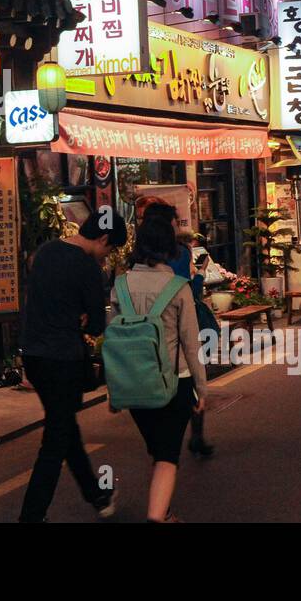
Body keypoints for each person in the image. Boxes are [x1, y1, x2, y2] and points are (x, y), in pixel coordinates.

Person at [18, 209, 127, 523]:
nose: (108, 255)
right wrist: (82, 317)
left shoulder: (46, 251)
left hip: (34, 355)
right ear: (103, 238)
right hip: (62, 359)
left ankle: (96, 494)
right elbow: (95, 324)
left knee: (63, 426)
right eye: (110, 248)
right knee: (55, 440)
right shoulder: (87, 267)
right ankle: (31, 515)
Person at [111, 216, 208, 522]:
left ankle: (163, 512)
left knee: (158, 451)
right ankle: (156, 517)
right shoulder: (179, 288)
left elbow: (113, 336)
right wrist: (201, 389)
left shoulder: (120, 286)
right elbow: (191, 345)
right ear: (169, 248)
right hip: (173, 384)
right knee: (167, 457)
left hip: (133, 385)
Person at [139, 200, 215, 458]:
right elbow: (189, 294)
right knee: (189, 379)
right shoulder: (179, 253)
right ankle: (195, 434)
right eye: (173, 223)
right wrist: (201, 274)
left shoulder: (131, 269)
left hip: (144, 350)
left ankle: (163, 447)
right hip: (177, 337)